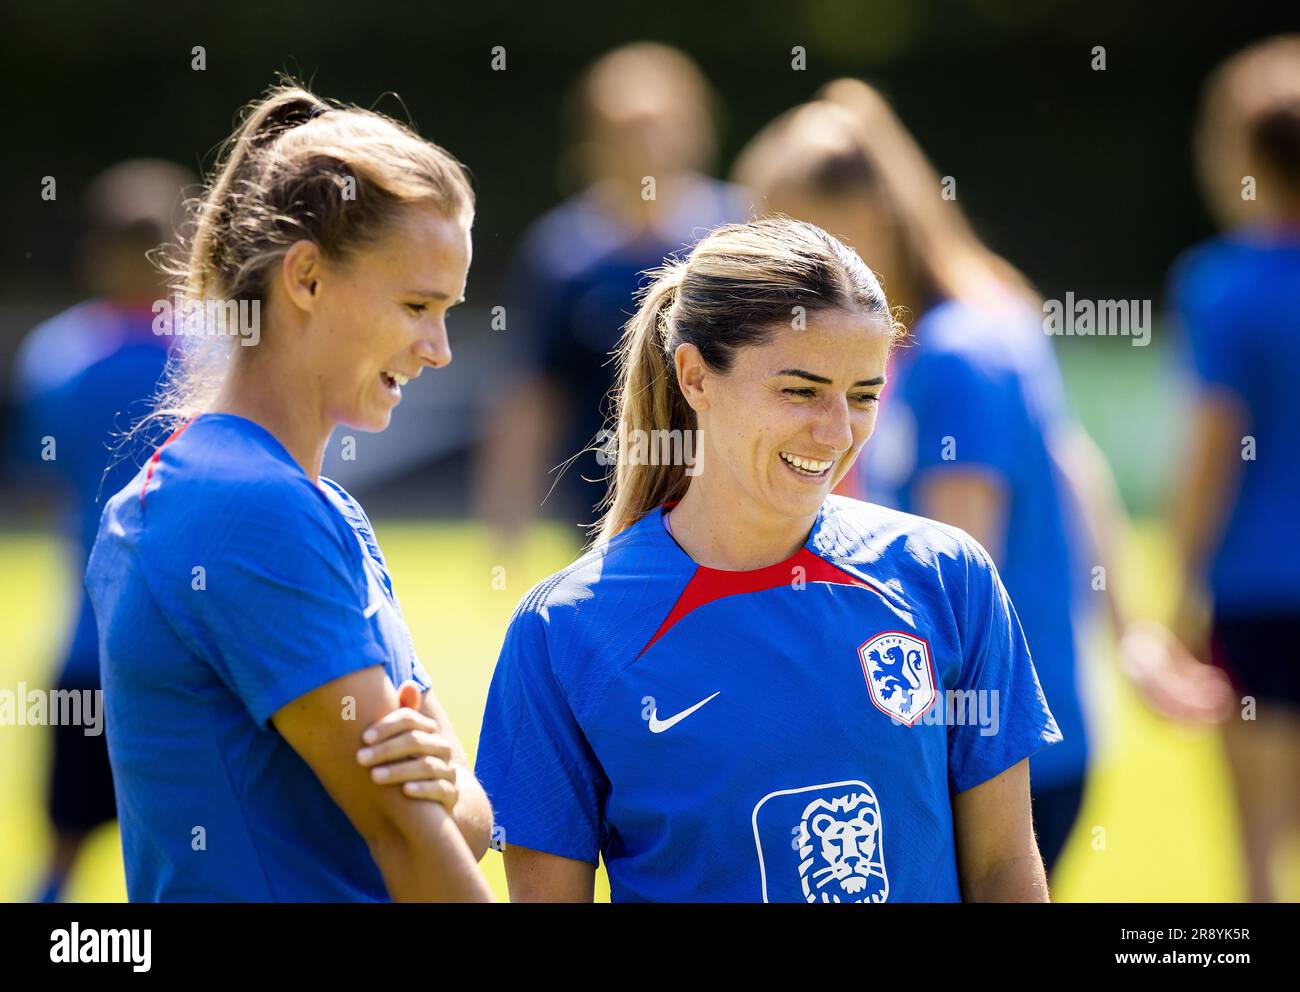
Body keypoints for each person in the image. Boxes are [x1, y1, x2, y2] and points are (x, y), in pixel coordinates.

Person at [475, 217, 1062, 902]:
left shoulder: (946, 577)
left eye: (864, 395)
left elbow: (1002, 870)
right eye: (801, 390)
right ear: (695, 376)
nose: (838, 432)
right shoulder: (565, 632)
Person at [731, 85, 1229, 878]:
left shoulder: (958, 355)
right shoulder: (966, 320)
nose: (778, 271)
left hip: (985, 746)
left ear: (863, 217)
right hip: (1016, 729)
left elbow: (951, 581)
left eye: (790, 234)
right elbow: (1076, 466)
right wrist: (1128, 631)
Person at [84, 83, 493, 901]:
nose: (439, 348)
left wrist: (444, 781)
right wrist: (434, 802)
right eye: (417, 305)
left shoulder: (311, 504)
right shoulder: (244, 506)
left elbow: (469, 824)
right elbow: (410, 841)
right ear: (305, 278)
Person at [473, 42, 747, 542]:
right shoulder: (562, 254)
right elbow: (531, 394)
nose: (643, 145)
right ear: (593, 138)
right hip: (605, 517)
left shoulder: (739, 236)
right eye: (624, 129)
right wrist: (505, 525)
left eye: (657, 125)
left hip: (735, 506)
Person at [9, 159, 193, 901]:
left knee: (57, 864)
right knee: (199, 865)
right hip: (196, 658)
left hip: (87, 649)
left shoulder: (56, 355)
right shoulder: (219, 352)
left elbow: (41, 490)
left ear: (98, 252)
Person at [1168, 35, 1300, 902]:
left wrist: (1183, 584)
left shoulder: (1222, 284)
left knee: (1258, 859)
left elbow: (1215, 448)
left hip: (1259, 594)